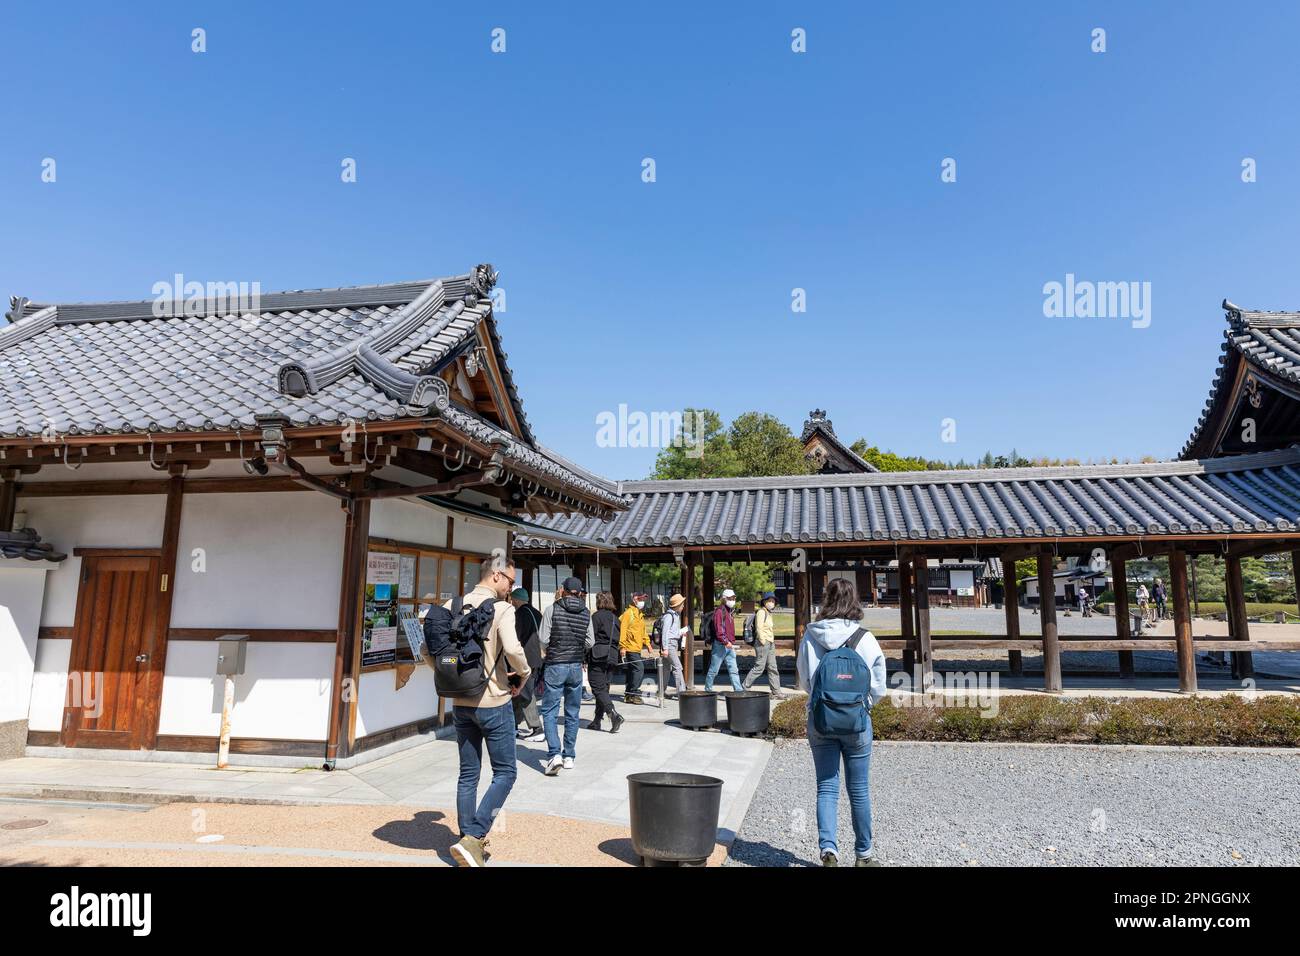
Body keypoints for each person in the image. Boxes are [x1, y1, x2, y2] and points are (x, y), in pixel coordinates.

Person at [796, 577, 887, 868]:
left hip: (820, 720)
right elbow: (879, 685)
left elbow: (803, 680)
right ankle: (864, 854)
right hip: (857, 722)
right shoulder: (865, 637)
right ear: (854, 600)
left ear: (826, 599)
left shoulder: (811, 635)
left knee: (826, 786)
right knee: (859, 789)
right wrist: (863, 704)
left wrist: (822, 702)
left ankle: (829, 851)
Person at [447, 557, 530, 868]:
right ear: (496, 576)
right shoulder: (502, 609)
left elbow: (432, 649)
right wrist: (525, 672)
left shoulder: (453, 604)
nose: (511, 587)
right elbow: (512, 649)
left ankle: (467, 839)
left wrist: (449, 676)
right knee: (506, 772)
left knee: (468, 774)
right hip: (493, 700)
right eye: (510, 580)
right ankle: (475, 837)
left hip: (460, 701)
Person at [538, 576, 594, 775]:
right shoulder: (586, 612)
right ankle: (569, 754)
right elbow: (590, 642)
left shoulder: (552, 609)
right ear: (579, 593)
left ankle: (555, 754)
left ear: (562, 590)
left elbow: (543, 639)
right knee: (572, 711)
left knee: (550, 711)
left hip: (555, 663)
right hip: (576, 666)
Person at [508, 588, 545, 743]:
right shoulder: (537, 613)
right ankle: (513, 726)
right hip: (537, 658)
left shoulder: (520, 614)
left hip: (525, 660)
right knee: (517, 691)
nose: (511, 602)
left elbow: (515, 638)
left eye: (512, 600)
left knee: (525, 693)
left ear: (516, 600)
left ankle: (537, 728)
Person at [587, 591, 625, 732]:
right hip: (612, 656)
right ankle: (597, 721)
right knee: (603, 689)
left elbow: (590, 639)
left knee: (597, 687)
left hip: (598, 656)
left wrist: (584, 657)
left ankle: (613, 714)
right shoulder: (616, 619)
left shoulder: (596, 617)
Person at [743, 591, 783, 698]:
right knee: (759, 667)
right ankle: (745, 686)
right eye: (769, 601)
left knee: (773, 667)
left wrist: (769, 641)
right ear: (764, 602)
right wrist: (763, 640)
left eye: (773, 601)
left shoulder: (769, 613)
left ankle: (776, 691)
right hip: (763, 643)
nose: (772, 603)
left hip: (770, 642)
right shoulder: (761, 612)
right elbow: (759, 628)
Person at [704, 588, 743, 692]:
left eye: (734, 598)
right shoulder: (719, 612)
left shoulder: (729, 611)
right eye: (730, 598)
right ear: (724, 599)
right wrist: (726, 642)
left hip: (729, 645)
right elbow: (719, 630)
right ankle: (708, 690)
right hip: (721, 645)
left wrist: (729, 642)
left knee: (734, 670)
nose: (733, 600)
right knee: (714, 670)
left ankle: (738, 690)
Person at [619, 592, 653, 704]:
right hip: (630, 648)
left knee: (632, 671)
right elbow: (623, 631)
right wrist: (622, 646)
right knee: (639, 669)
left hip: (637, 648)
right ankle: (634, 692)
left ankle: (628, 694)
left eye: (643, 599)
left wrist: (648, 644)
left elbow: (643, 632)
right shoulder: (629, 613)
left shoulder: (639, 614)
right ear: (634, 599)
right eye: (640, 599)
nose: (642, 601)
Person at [658, 593, 690, 696]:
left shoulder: (674, 615)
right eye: (682, 604)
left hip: (672, 643)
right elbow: (665, 633)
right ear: (677, 605)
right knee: (678, 667)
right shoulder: (669, 616)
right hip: (670, 645)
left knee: (666, 669)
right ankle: (681, 692)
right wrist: (666, 648)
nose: (683, 606)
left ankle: (661, 692)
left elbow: (672, 632)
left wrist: (681, 632)